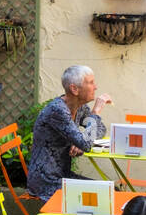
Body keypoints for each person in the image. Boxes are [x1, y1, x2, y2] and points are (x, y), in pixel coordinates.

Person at [27, 65, 113, 200]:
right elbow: (87, 143)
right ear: (74, 89)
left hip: (63, 175)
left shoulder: (80, 107)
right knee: (105, 193)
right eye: (90, 83)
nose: (95, 87)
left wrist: (81, 141)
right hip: (46, 182)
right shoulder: (57, 110)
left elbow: (100, 129)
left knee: (111, 190)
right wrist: (95, 112)